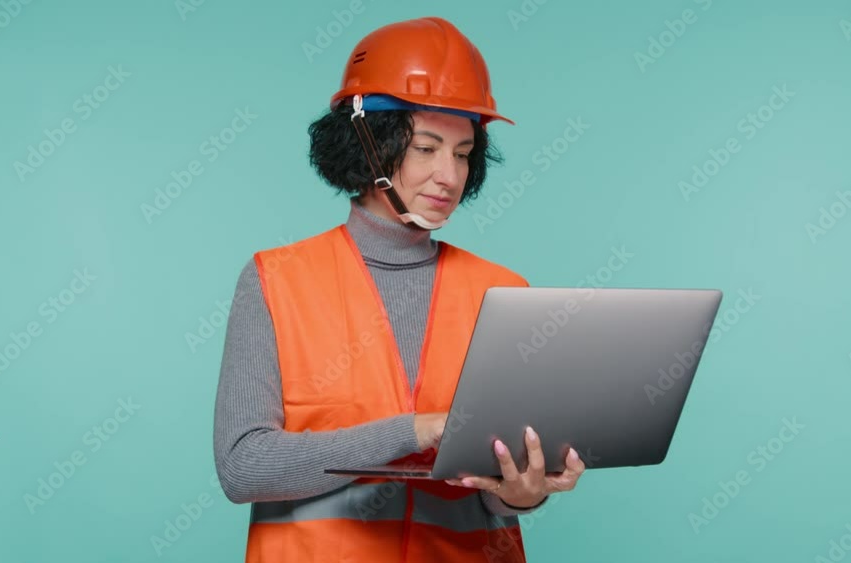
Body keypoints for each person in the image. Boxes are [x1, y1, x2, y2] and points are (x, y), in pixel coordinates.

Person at [213, 16, 585, 563]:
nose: (449, 176)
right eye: (426, 148)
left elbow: (499, 492)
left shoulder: (504, 291)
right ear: (368, 144)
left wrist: (522, 493)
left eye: (462, 153)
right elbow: (243, 468)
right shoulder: (275, 281)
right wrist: (412, 431)